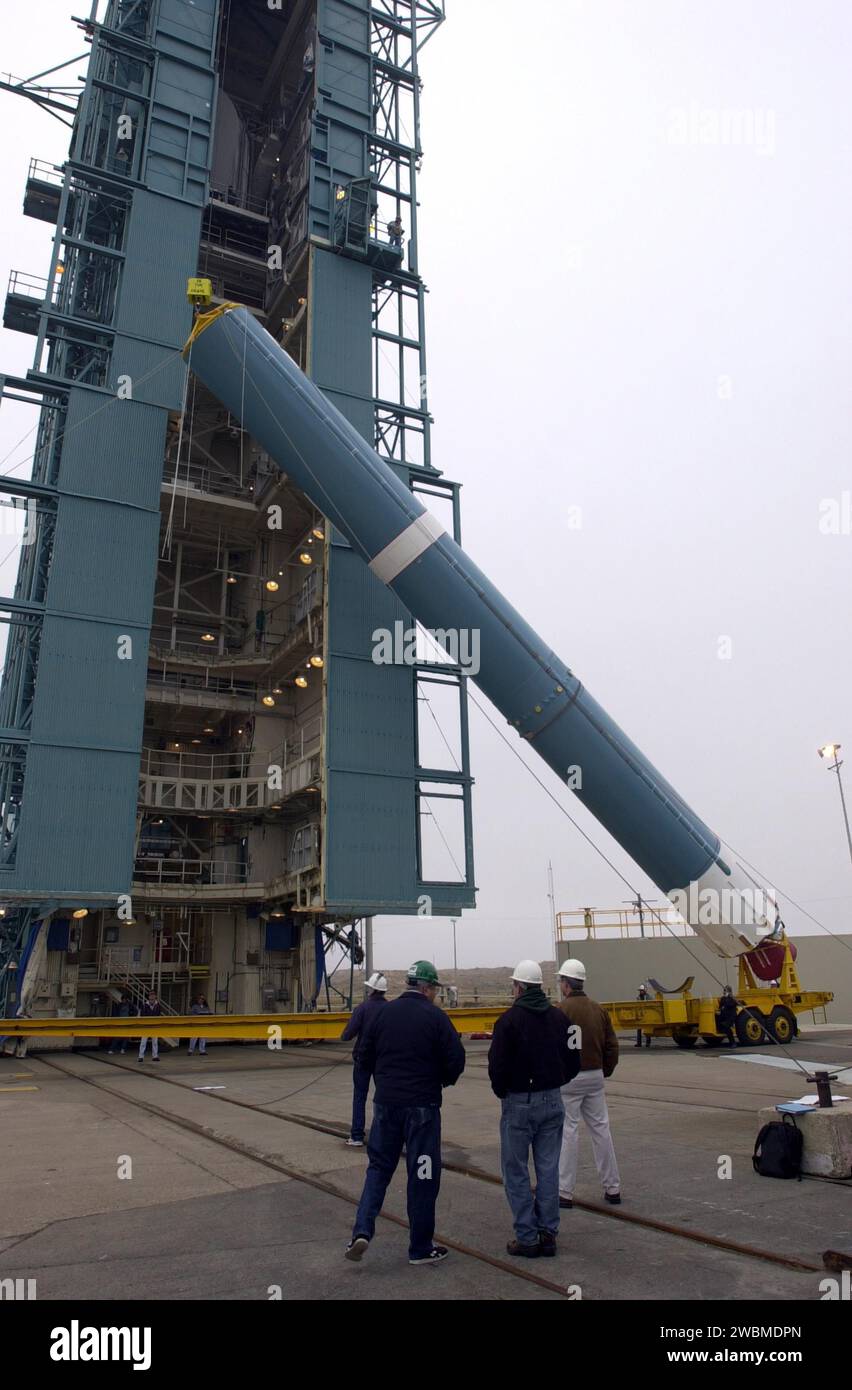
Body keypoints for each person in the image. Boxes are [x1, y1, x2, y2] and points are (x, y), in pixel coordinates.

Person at [345, 960, 465, 1266]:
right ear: (426, 988)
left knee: (378, 1169)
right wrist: (441, 1080)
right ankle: (420, 1247)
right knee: (422, 1175)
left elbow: (363, 1055)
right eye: (435, 989)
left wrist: (384, 1079)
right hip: (422, 1109)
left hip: (386, 1106)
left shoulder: (383, 1013)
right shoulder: (435, 1017)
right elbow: (455, 1059)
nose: (436, 995)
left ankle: (362, 1230)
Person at [487, 960, 581, 1258]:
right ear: (539, 986)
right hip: (553, 1100)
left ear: (518, 987)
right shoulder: (560, 1019)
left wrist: (504, 1092)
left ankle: (527, 1237)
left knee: (515, 1171)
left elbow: (497, 1067)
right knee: (548, 1168)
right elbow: (573, 1059)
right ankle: (548, 1234)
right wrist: (555, 1082)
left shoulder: (508, 1022)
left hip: (518, 1103)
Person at [556, 958, 621, 1207]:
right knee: (601, 1130)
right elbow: (611, 1045)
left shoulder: (560, 1011)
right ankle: (612, 1187)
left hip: (568, 1079)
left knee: (569, 1132)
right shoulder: (598, 1009)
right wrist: (605, 1070)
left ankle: (565, 1192)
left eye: (561, 980)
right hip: (594, 1075)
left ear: (567, 984)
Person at [340, 972, 388, 1146]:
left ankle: (357, 1136)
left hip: (363, 1059)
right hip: (383, 1060)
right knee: (383, 1098)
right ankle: (382, 1136)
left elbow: (347, 1035)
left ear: (372, 990)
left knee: (360, 1097)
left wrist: (346, 1034)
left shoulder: (362, 1009)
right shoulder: (390, 1009)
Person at [138, 991, 162, 1062]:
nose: (152, 997)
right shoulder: (145, 1005)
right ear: (148, 997)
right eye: (151, 995)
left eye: (153, 995)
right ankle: (140, 1056)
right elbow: (142, 1015)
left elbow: (158, 1014)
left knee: (155, 1042)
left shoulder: (158, 1005)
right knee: (143, 1042)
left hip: (154, 1026)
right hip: (146, 1026)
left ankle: (155, 1056)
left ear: (155, 996)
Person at [635, 983, 651, 1048]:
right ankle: (639, 1043)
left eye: (642, 990)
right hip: (640, 1015)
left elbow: (652, 1004)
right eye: (640, 990)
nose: (641, 991)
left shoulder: (648, 997)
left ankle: (648, 1043)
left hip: (647, 1015)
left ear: (644, 991)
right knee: (639, 1029)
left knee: (647, 1029)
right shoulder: (638, 997)